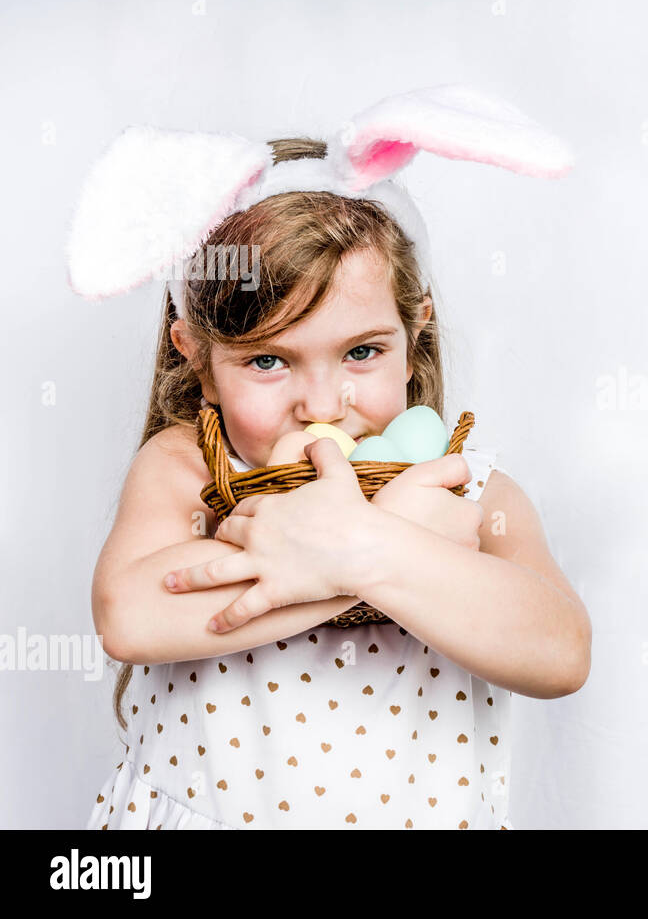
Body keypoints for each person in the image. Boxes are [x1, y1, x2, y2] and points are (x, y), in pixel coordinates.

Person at [69, 86, 588, 829]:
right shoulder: (192, 468)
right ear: (198, 358)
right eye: (269, 362)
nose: (321, 404)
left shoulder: (464, 488)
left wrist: (360, 549)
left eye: (362, 351)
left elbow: (560, 648)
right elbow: (130, 614)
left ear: (417, 326)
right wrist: (359, 557)